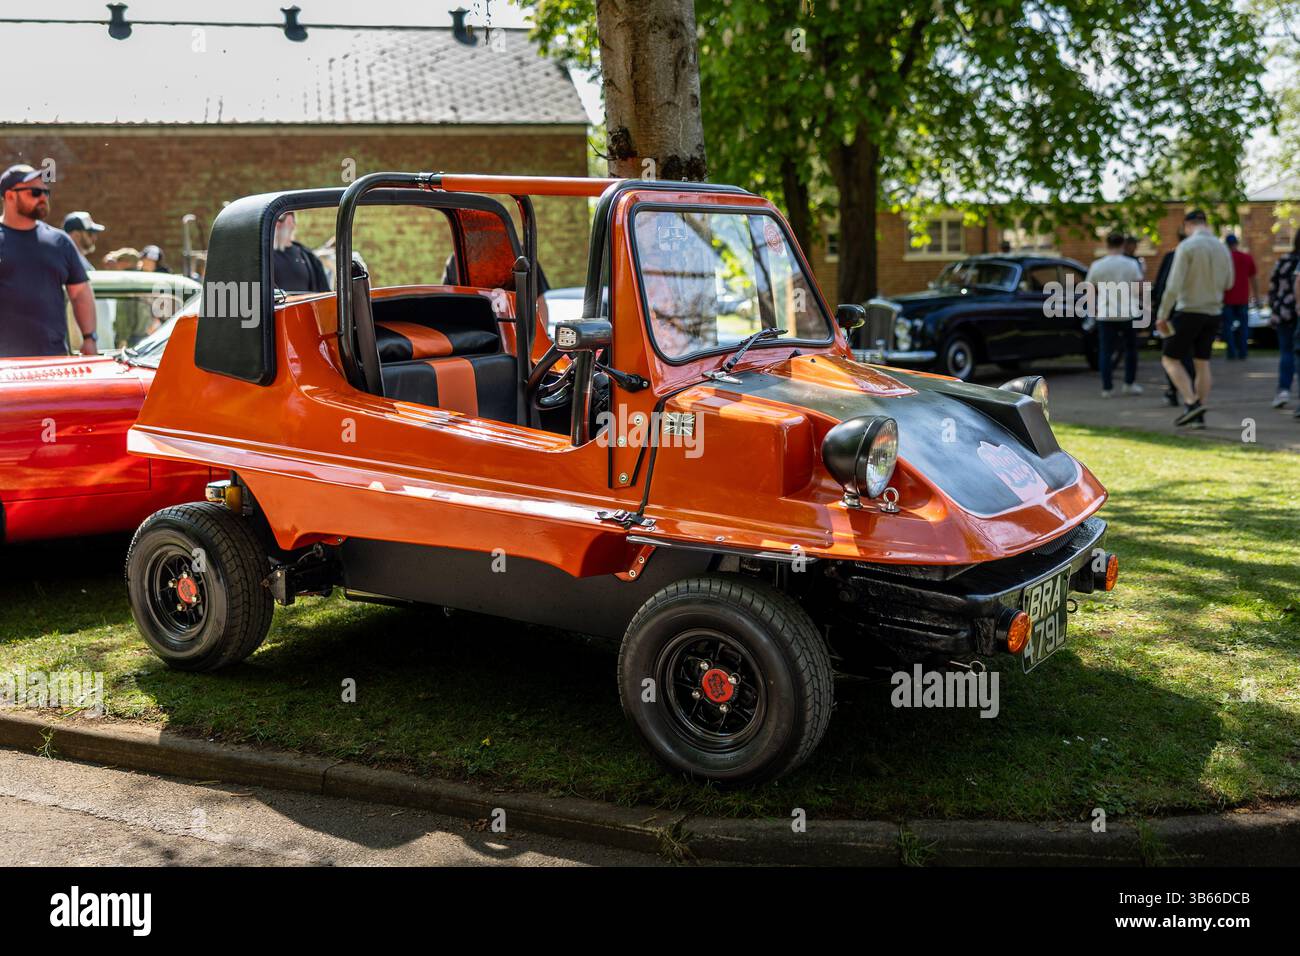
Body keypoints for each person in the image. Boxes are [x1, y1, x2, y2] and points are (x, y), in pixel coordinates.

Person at [0, 164, 97, 357]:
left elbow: (80, 293)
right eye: (35, 192)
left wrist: (89, 339)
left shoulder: (60, 242)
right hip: (4, 365)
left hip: (53, 361)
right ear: (10, 196)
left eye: (46, 192)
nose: (43, 198)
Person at [1156, 209, 1233, 427]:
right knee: (1202, 362)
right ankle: (1199, 412)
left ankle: (1191, 403)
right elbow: (1229, 282)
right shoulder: (1222, 247)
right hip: (1214, 311)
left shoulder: (1187, 246)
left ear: (1187, 225)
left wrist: (1162, 314)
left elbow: (1173, 286)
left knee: (1169, 358)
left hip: (1189, 309)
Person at [1086, 232, 1144, 397]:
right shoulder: (1131, 264)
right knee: (1131, 349)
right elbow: (1139, 288)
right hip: (1128, 312)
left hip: (1106, 313)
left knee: (1105, 351)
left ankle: (1107, 387)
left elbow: (1090, 289)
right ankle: (1129, 383)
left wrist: (1093, 308)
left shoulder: (1097, 265)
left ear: (1107, 245)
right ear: (1123, 244)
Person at [1153, 231, 1196, 406]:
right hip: (1191, 311)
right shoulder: (1195, 259)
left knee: (1171, 353)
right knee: (1187, 353)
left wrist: (1160, 312)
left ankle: (1176, 390)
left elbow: (1161, 286)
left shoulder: (1172, 257)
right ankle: (1187, 391)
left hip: (1172, 313)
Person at [1268, 231, 1300, 409]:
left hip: (1284, 312)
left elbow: (1273, 287)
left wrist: (1275, 309)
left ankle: (1283, 390)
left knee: (1287, 352)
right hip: (1292, 311)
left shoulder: (1284, 261)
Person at [1220, 235, 1258, 360]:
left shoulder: (1223, 259)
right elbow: (1253, 278)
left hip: (1227, 298)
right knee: (1243, 327)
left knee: (1227, 327)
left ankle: (1231, 352)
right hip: (1242, 298)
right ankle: (1243, 352)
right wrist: (1256, 296)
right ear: (1237, 243)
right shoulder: (1246, 257)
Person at [272, 211, 330, 292]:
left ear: (293, 222)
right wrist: (252, 304)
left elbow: (324, 296)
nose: (277, 221)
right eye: (274, 216)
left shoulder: (309, 257)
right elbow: (251, 300)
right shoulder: (259, 258)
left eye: (282, 216)